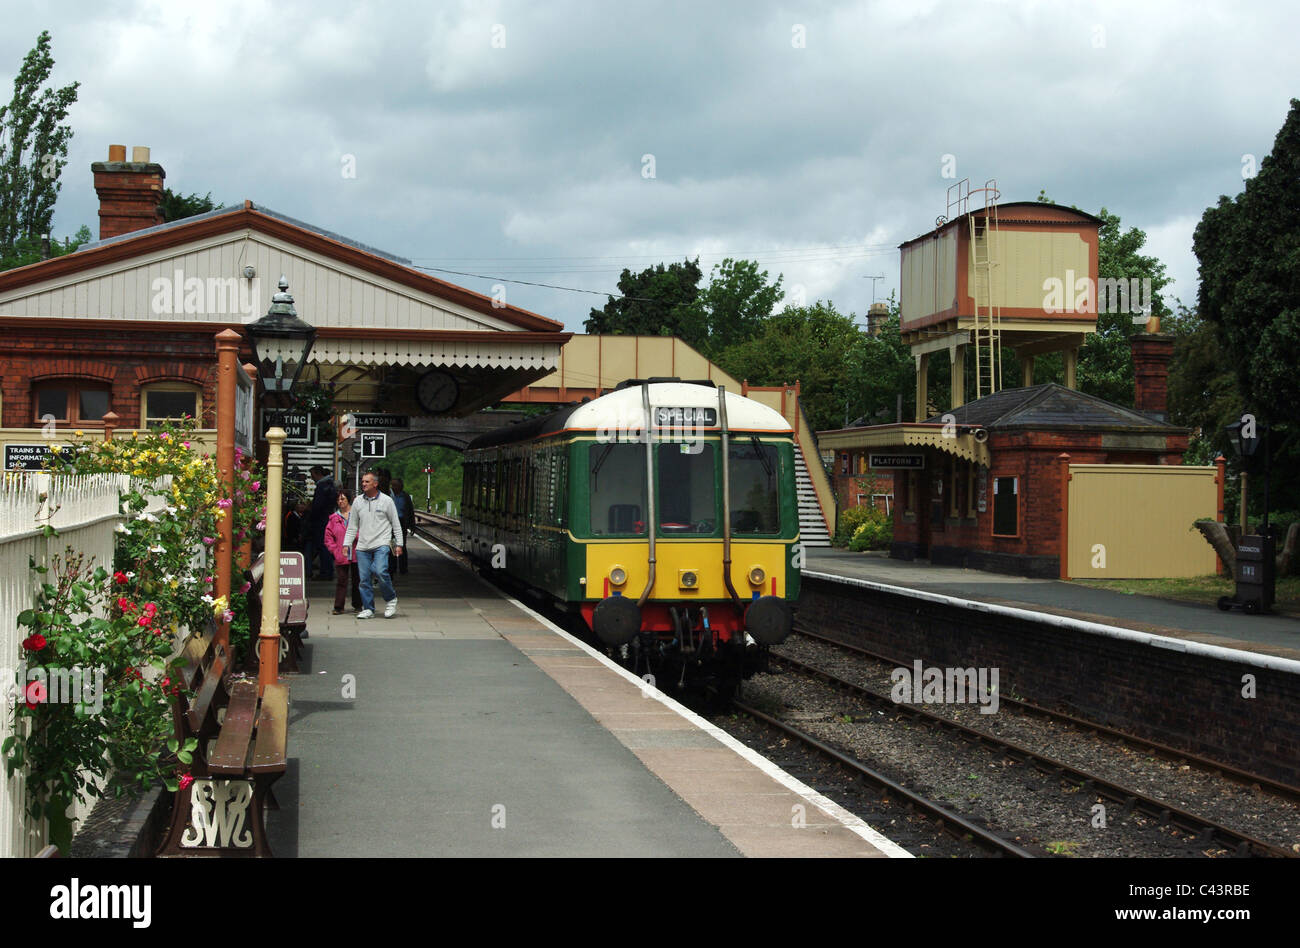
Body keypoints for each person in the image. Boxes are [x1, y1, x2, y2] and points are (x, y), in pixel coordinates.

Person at [343, 471, 404, 619]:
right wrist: (346, 544)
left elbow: (396, 523)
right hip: (363, 546)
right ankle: (368, 608)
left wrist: (399, 544)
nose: (363, 484)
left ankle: (391, 600)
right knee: (363, 579)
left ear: (375, 484)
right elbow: (352, 526)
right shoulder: (357, 501)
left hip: (381, 543)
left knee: (380, 570)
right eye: (363, 481)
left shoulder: (387, 501)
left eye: (367, 482)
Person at [324, 488, 363, 615]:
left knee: (358, 580)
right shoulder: (334, 518)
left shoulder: (357, 515)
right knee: (342, 580)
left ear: (348, 500)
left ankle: (358, 604)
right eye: (338, 499)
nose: (340, 501)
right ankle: (338, 606)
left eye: (343, 499)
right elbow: (328, 537)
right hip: (341, 554)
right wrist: (334, 550)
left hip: (357, 552)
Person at [306, 465, 338, 581]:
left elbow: (318, 505)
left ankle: (325, 572)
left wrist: (311, 511)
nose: (312, 478)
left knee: (322, 545)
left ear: (317, 473)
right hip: (327, 518)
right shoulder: (331, 484)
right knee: (326, 545)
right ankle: (328, 570)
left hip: (320, 520)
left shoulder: (322, 486)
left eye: (312, 475)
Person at [390, 478, 415, 575]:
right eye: (392, 485)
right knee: (392, 544)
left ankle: (403, 568)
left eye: (395, 485)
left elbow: (410, 511)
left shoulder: (405, 496)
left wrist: (412, 525)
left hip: (401, 522)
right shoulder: (389, 496)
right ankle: (392, 566)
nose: (393, 487)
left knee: (402, 545)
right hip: (391, 522)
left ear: (401, 486)